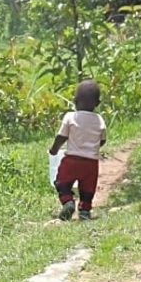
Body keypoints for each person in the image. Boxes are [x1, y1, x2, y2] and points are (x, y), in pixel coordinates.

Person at [49, 78, 107, 221]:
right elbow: (103, 140)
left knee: (62, 183)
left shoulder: (70, 117)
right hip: (91, 164)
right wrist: (93, 148)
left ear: (75, 101)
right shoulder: (99, 120)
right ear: (97, 103)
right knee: (87, 190)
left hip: (72, 160)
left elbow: (61, 136)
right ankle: (85, 211)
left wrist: (54, 150)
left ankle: (68, 201)